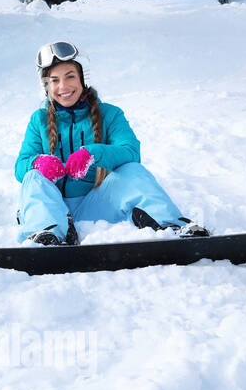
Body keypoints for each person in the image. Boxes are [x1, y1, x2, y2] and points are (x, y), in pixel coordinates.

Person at [14, 41, 208, 245]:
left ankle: (170, 226)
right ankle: (47, 235)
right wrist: (37, 163)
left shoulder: (110, 114)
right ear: (47, 86)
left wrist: (94, 154)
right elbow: (21, 166)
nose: (63, 87)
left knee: (132, 169)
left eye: (70, 76)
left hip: (97, 206)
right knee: (33, 177)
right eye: (54, 80)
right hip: (51, 209)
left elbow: (131, 151)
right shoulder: (39, 120)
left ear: (82, 78)